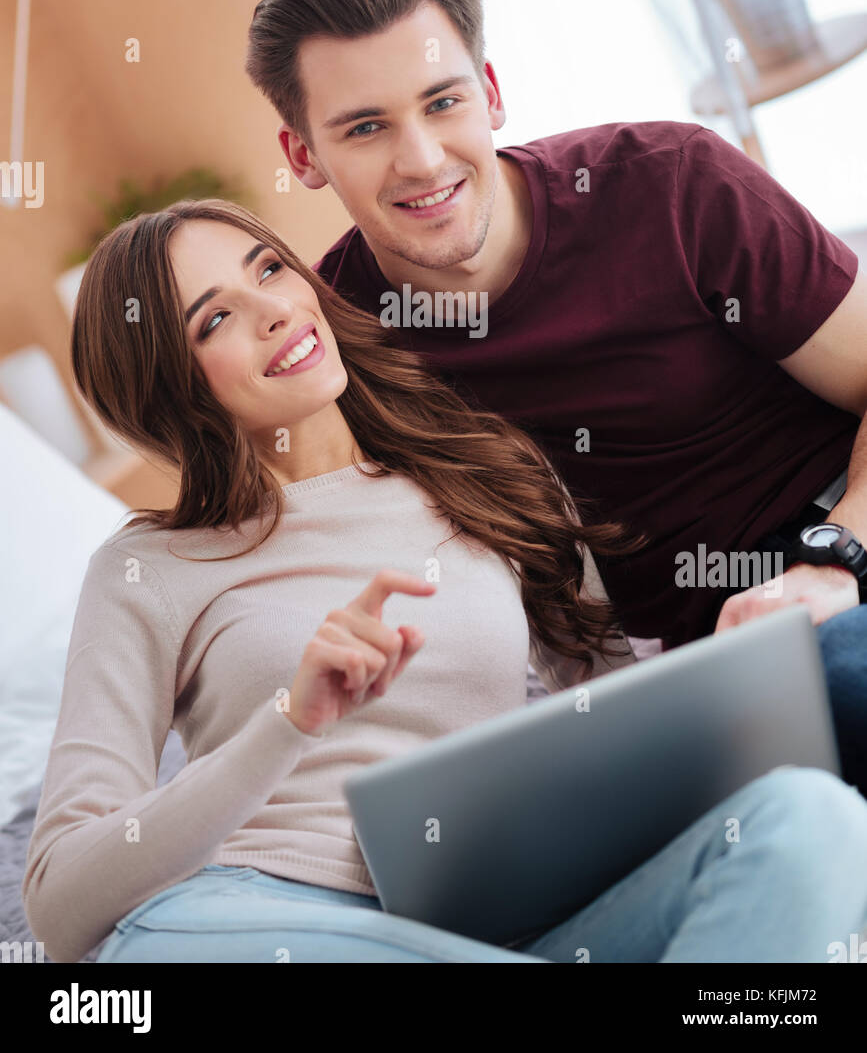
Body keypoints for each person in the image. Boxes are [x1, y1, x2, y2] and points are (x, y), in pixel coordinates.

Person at [20, 199, 867, 964]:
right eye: (216, 321)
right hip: (268, 920)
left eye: (270, 268)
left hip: (506, 916)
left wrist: (717, 702)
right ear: (166, 388)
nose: (277, 310)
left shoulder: (486, 472)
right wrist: (289, 721)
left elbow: (607, 713)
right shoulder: (149, 568)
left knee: (812, 821)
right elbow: (61, 909)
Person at [244, 0, 867, 795]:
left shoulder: (672, 183)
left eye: (441, 102)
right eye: (365, 127)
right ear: (303, 156)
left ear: (490, 93)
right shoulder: (340, 342)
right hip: (691, 672)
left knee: (844, 685)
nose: (421, 159)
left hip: (842, 535)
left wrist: (833, 562)